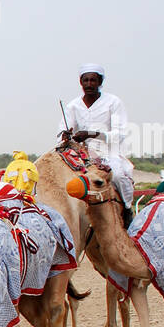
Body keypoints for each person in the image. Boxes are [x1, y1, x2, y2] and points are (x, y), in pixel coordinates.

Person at [60, 63, 135, 225]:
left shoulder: (113, 102)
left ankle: (128, 210)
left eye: (93, 80)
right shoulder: (73, 106)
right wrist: (66, 135)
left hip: (109, 153)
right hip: (81, 154)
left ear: (100, 81)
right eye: (85, 80)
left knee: (119, 175)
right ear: (81, 82)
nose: (89, 84)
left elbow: (119, 134)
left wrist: (91, 134)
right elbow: (62, 131)